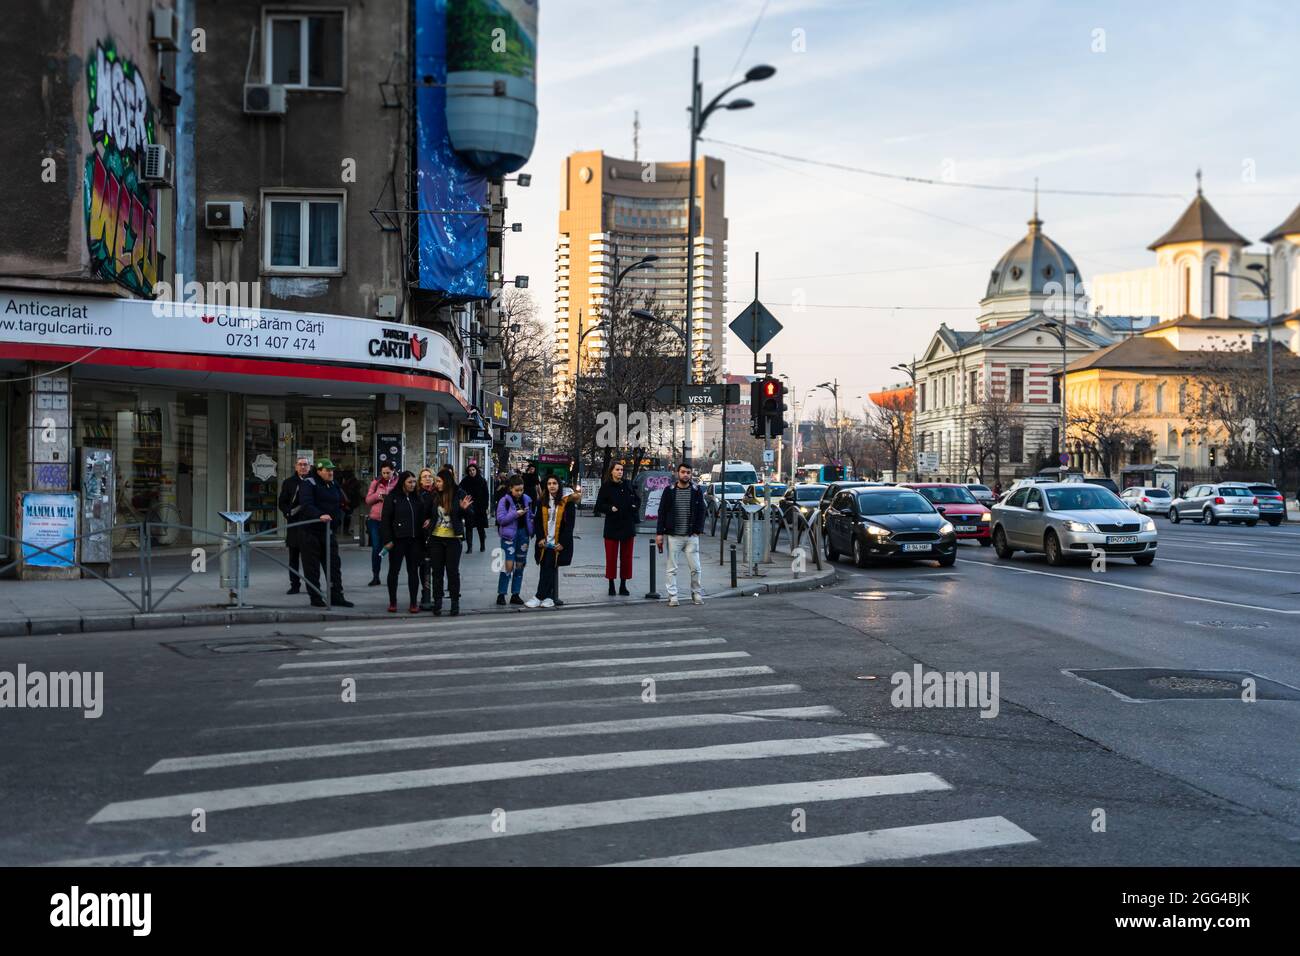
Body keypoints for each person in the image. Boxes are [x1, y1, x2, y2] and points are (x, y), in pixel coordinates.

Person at [298, 458, 354, 608]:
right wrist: (319, 515)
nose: (330, 472)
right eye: (327, 470)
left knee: (334, 566)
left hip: (329, 532)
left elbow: (340, 502)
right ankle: (315, 598)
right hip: (311, 532)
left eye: (332, 470)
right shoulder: (309, 483)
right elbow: (306, 505)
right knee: (312, 568)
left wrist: (339, 517)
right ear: (319, 471)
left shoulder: (333, 484)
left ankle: (337, 596)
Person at [655, 462, 706, 607]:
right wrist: (659, 533)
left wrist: (698, 530)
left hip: (691, 536)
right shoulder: (669, 490)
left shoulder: (696, 490)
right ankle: (673, 596)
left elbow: (702, 511)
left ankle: (696, 593)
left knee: (695, 568)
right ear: (678, 473)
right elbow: (662, 512)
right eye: (683, 472)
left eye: (688, 472)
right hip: (673, 536)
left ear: (691, 474)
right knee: (672, 568)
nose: (686, 475)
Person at [526, 476, 581, 609]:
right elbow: (538, 522)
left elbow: (569, 526)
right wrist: (540, 538)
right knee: (545, 568)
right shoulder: (542, 501)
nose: (552, 486)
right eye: (549, 484)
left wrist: (563, 542)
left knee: (549, 567)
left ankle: (539, 596)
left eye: (554, 483)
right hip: (545, 542)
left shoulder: (567, 502)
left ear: (559, 485)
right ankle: (548, 597)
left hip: (558, 542)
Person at [424, 472, 473, 616]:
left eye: (439, 481)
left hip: (453, 539)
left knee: (452, 572)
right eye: (436, 481)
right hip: (436, 539)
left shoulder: (459, 494)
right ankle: (437, 602)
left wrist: (464, 509)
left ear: (446, 481)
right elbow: (426, 513)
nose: (436, 483)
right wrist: (427, 521)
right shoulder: (433, 496)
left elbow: (470, 515)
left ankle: (454, 603)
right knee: (437, 572)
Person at [380, 470, 429, 613]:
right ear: (402, 482)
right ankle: (392, 602)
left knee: (413, 571)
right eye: (410, 482)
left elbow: (422, 516)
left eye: (414, 481)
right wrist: (387, 540)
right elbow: (385, 521)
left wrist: (426, 523)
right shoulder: (392, 498)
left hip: (414, 540)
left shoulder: (417, 498)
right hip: (397, 541)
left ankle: (413, 602)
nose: (413, 485)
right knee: (394, 571)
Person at [593, 461, 640, 596]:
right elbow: (598, 506)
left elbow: (637, 500)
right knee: (611, 558)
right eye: (617, 469)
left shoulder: (628, 485)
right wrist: (610, 508)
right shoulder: (606, 486)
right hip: (612, 527)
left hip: (627, 526)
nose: (620, 472)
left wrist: (634, 507)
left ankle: (623, 585)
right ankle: (611, 585)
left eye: (622, 470)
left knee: (626, 558)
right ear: (612, 471)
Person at [495, 475, 533, 606]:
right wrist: (516, 514)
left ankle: (515, 594)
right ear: (510, 488)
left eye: (521, 490)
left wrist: (532, 523)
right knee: (507, 565)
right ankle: (501, 594)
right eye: (517, 490)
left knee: (520, 565)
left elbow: (530, 516)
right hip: (509, 536)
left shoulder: (527, 499)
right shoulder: (504, 501)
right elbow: (501, 520)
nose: (519, 492)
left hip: (523, 535)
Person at [277, 455, 312, 594]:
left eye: (305, 464)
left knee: (309, 559)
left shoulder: (314, 481)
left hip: (310, 525)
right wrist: (288, 513)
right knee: (293, 558)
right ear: (296, 467)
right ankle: (294, 585)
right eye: (300, 464)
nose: (303, 467)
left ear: (309, 467)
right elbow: (282, 502)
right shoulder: (289, 482)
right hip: (294, 525)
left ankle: (312, 586)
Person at [364, 465, 398, 587]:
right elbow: (367, 500)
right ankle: (375, 576)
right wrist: (378, 496)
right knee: (376, 547)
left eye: (388, 472)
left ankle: (393, 575)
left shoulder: (398, 482)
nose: (385, 475)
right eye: (383, 473)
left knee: (392, 547)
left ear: (393, 471)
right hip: (376, 519)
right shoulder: (376, 482)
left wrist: (390, 499)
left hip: (391, 520)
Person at [416, 468, 437, 609]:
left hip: (435, 533)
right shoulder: (417, 494)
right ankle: (425, 592)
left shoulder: (437, 493)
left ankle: (434, 594)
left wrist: (432, 519)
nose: (427, 479)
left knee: (435, 565)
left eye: (430, 476)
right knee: (423, 564)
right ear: (420, 480)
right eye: (424, 476)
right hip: (420, 534)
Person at [460, 462, 490, 553]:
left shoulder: (482, 480)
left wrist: (485, 506)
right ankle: (469, 548)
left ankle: (482, 545)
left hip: (480, 508)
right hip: (469, 507)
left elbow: (486, 494)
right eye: (469, 470)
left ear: (476, 470)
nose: (471, 472)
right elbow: (459, 491)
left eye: (473, 470)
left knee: (480, 528)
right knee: (469, 528)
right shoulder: (465, 481)